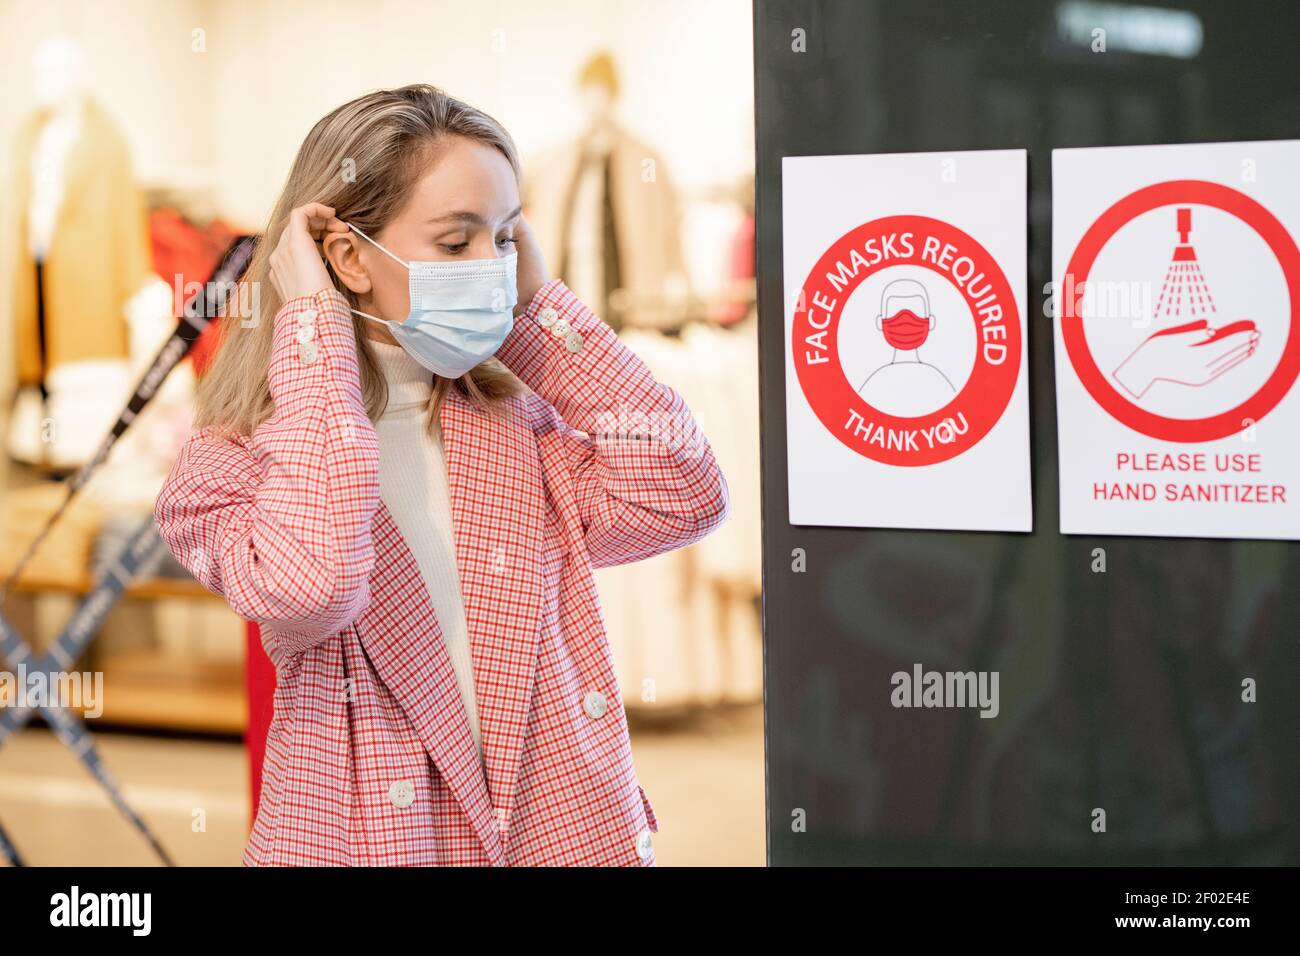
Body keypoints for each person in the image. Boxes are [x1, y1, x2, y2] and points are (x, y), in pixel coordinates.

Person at [153, 84, 730, 866]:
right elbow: (313, 583)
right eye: (457, 244)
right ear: (348, 257)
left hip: (557, 834)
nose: (488, 268)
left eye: (503, 239)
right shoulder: (232, 464)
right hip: (371, 843)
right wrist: (314, 331)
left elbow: (682, 491)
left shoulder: (520, 425)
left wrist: (537, 312)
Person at [858, 277, 955, 416]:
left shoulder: (938, 381)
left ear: (931, 321)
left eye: (915, 308)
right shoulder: (875, 384)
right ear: (880, 323)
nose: (905, 318)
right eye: (894, 309)